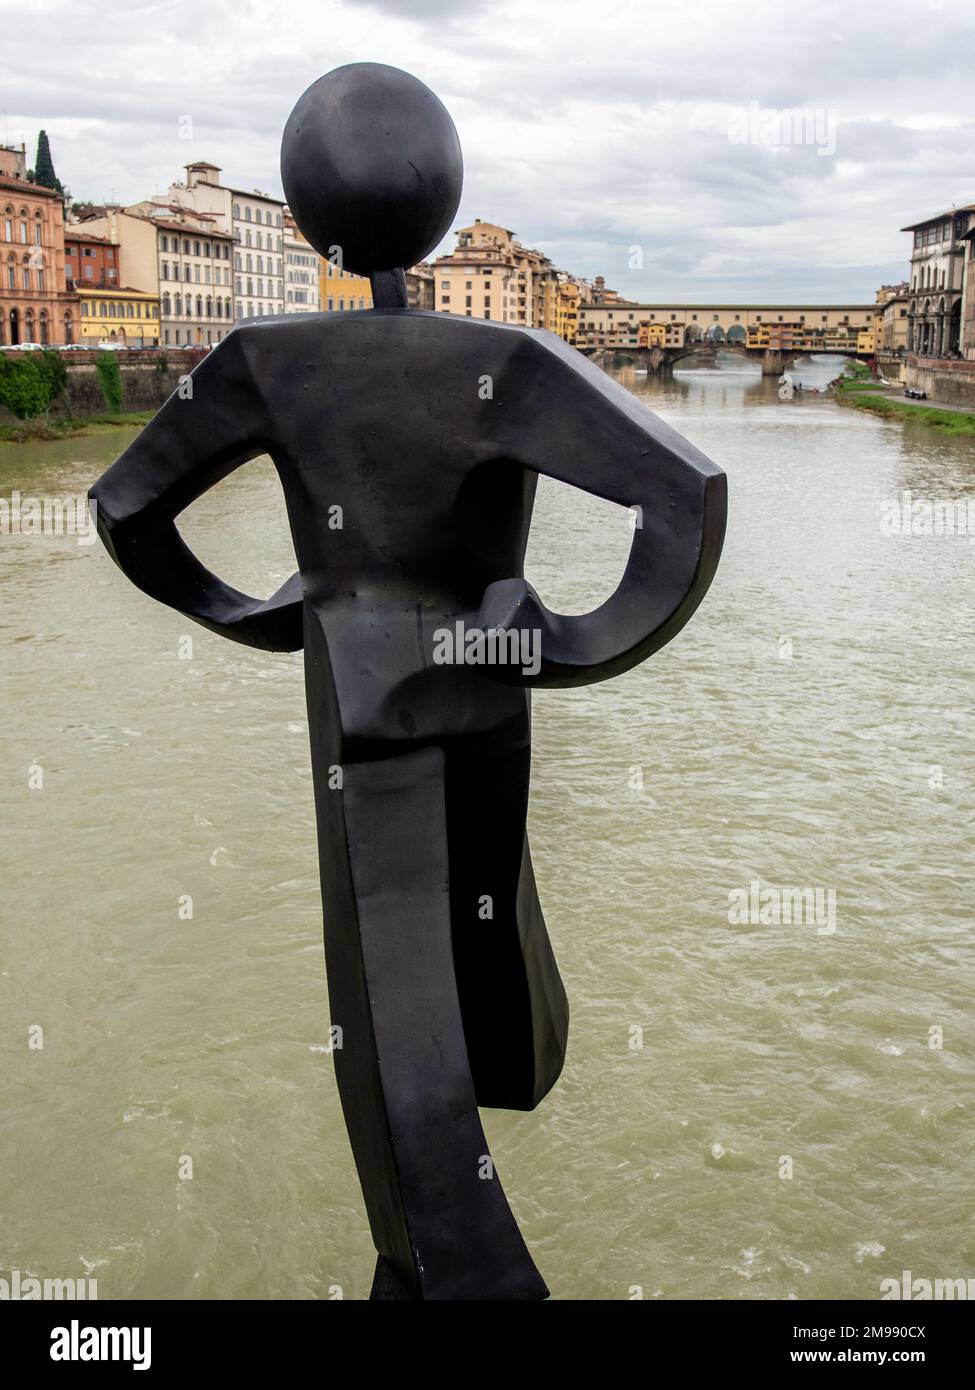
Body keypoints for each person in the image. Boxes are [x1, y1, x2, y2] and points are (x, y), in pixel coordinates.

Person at [89, 62, 726, 1300]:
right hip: (484, 683)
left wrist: (263, 615)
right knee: (487, 962)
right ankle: (489, 1150)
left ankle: (450, 1272)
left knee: (397, 1023)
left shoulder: (265, 360)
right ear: (436, 199)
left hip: (363, 695)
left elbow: (128, 509)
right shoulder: (505, 356)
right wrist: (562, 643)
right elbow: (681, 499)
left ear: (311, 208)